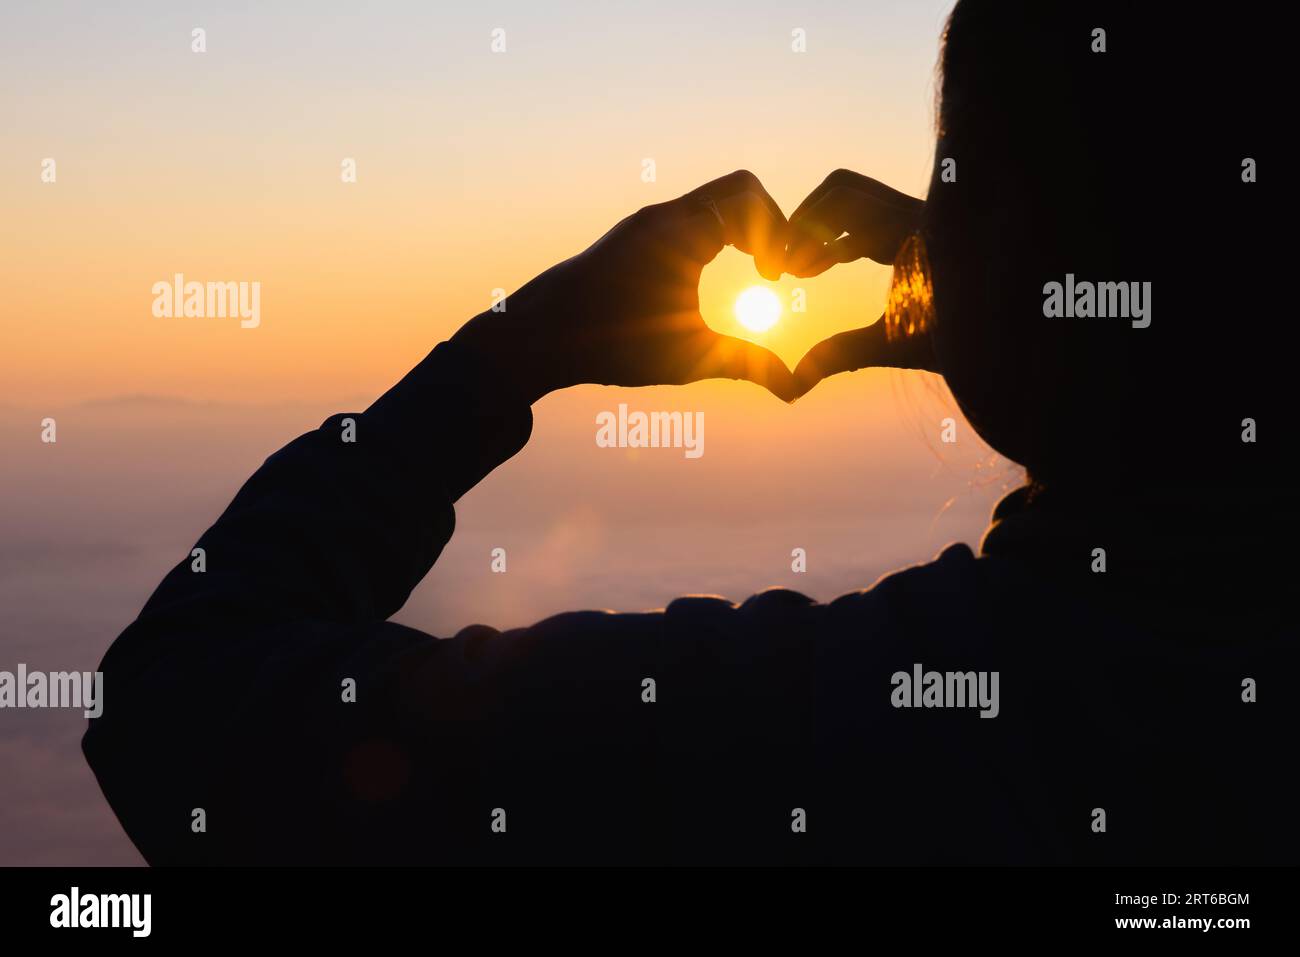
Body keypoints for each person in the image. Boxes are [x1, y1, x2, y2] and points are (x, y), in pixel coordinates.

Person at [84, 1, 1293, 865]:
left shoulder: (817, 732)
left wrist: (516, 349)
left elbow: (178, 709)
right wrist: (1024, 306)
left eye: (959, 173)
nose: (927, 223)